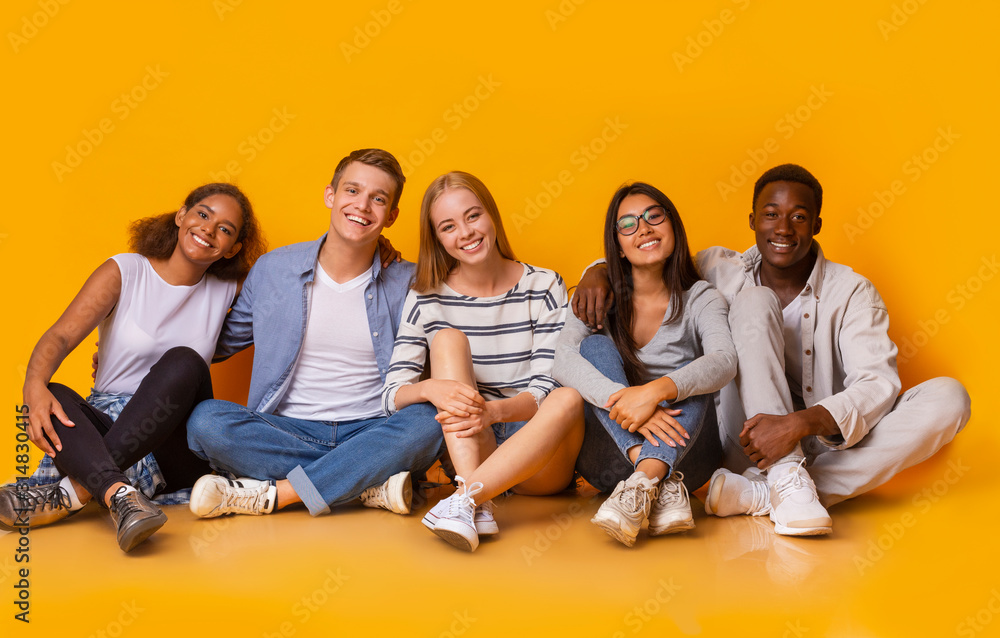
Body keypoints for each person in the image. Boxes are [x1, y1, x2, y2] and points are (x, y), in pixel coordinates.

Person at [572, 164, 972, 536]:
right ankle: (782, 477)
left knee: (949, 398)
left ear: (816, 224)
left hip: (828, 442)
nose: (784, 228)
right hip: (743, 442)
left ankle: (763, 493)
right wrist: (599, 271)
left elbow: (875, 384)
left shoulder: (852, 291)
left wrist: (800, 423)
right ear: (752, 221)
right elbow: (653, 256)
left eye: (798, 216)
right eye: (771, 214)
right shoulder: (719, 268)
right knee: (754, 300)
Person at [1, 183, 266, 551]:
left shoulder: (230, 287)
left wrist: (371, 251)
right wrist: (33, 386)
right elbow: (60, 336)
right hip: (111, 424)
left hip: (176, 445)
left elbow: (296, 280)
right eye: (203, 214)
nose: (209, 228)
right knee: (56, 392)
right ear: (181, 216)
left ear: (233, 248)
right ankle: (119, 493)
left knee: (184, 361)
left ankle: (74, 492)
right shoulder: (125, 271)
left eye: (225, 228)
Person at [185, 149, 444, 521]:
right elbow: (219, 342)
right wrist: (136, 344)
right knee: (207, 422)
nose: (363, 206)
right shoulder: (274, 269)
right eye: (352, 191)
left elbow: (452, 344)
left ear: (391, 216)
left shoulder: (409, 280)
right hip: (287, 430)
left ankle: (281, 494)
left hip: (375, 426)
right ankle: (365, 481)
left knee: (429, 421)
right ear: (330, 196)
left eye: (379, 199)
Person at [381, 171, 583, 552]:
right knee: (447, 339)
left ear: (491, 216)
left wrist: (494, 412)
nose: (466, 233)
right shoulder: (426, 296)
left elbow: (546, 385)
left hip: (540, 455)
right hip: (475, 446)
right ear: (437, 238)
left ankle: (466, 501)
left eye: (473, 216)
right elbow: (391, 395)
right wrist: (429, 388)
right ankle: (475, 499)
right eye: (448, 226)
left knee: (568, 397)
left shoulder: (544, 285)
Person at [552, 182, 737, 547]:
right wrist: (626, 400)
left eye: (655, 216)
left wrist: (655, 392)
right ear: (617, 246)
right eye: (629, 224)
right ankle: (653, 478)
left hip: (690, 461)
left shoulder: (701, 297)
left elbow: (724, 361)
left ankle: (641, 485)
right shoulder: (597, 297)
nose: (645, 228)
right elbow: (562, 360)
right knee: (595, 346)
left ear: (673, 227)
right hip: (604, 461)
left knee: (695, 372)